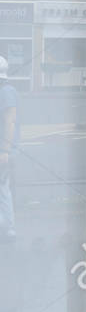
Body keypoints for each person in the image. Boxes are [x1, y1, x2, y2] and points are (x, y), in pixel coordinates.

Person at [0, 57, 17, 240]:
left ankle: (9, 228)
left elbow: (9, 121)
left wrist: (4, 150)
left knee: (3, 188)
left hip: (3, 151)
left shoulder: (6, 92)